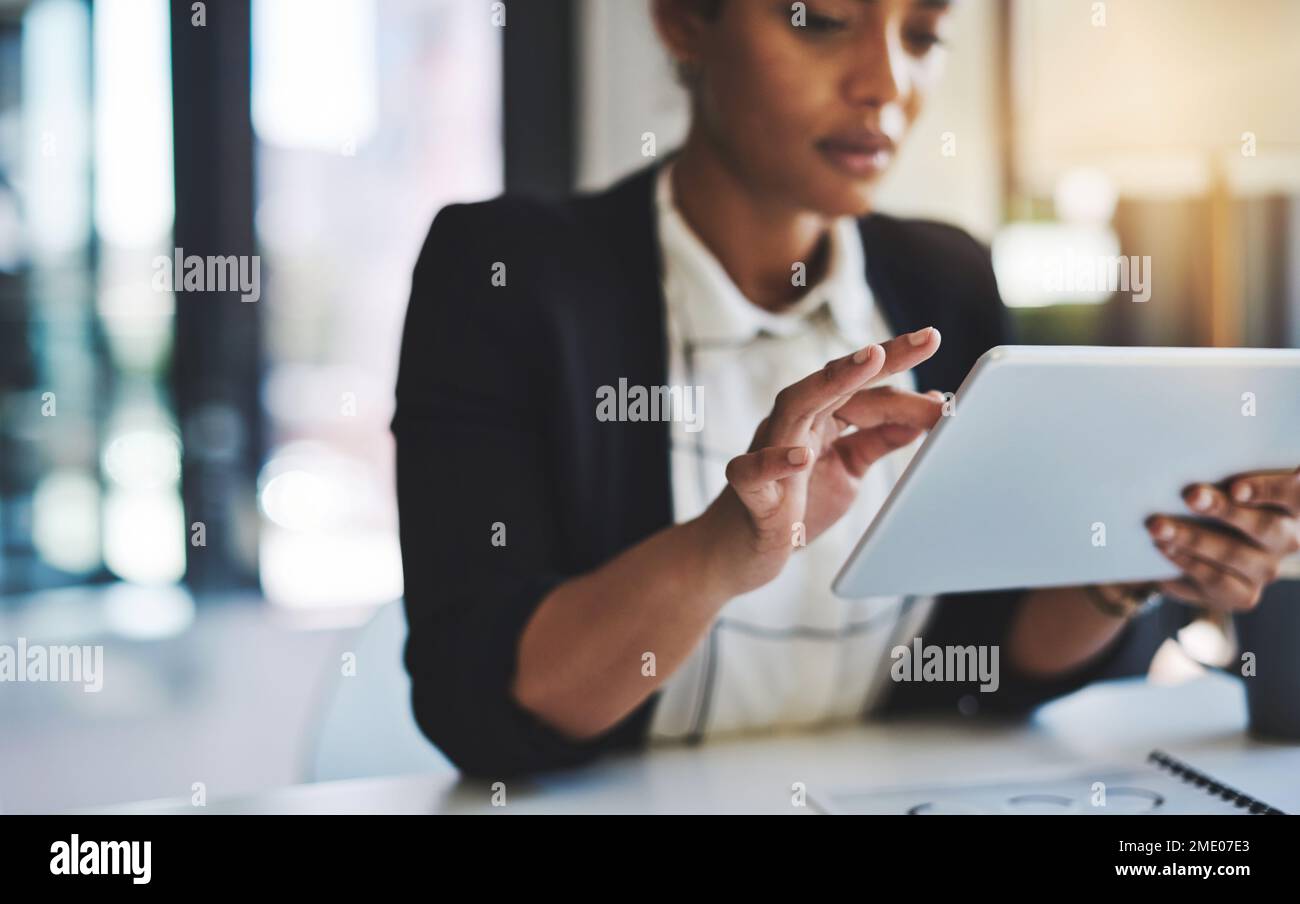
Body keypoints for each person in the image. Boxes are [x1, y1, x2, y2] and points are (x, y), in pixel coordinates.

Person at [392, 0, 1300, 777]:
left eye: (922, 35)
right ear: (681, 22)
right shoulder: (507, 269)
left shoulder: (943, 277)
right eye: (821, 21)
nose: (886, 83)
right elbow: (483, 703)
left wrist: (1124, 568)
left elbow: (996, 666)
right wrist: (722, 550)